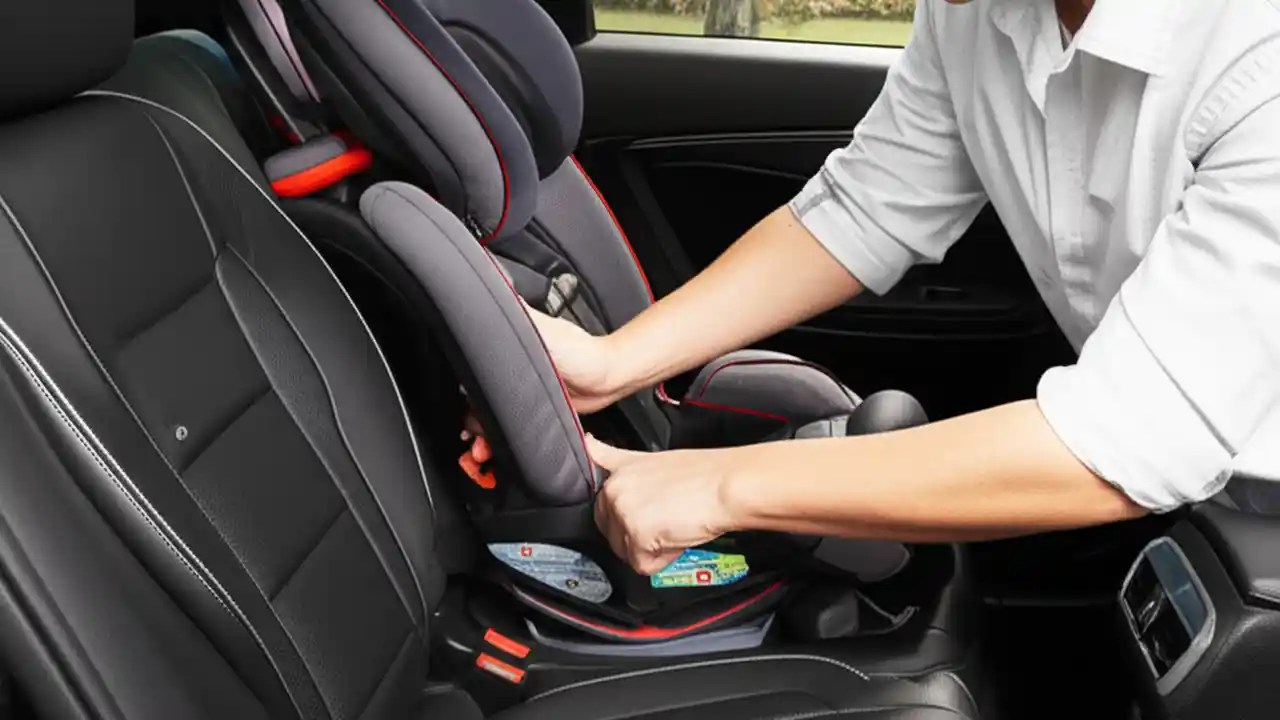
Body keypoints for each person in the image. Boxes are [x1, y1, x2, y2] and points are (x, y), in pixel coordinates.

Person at [465, 0, 1280, 576]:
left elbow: (1132, 436)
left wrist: (721, 487)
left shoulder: (1258, 47)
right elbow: (867, 205)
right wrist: (611, 363)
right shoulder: (974, 11)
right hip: (1195, 490)